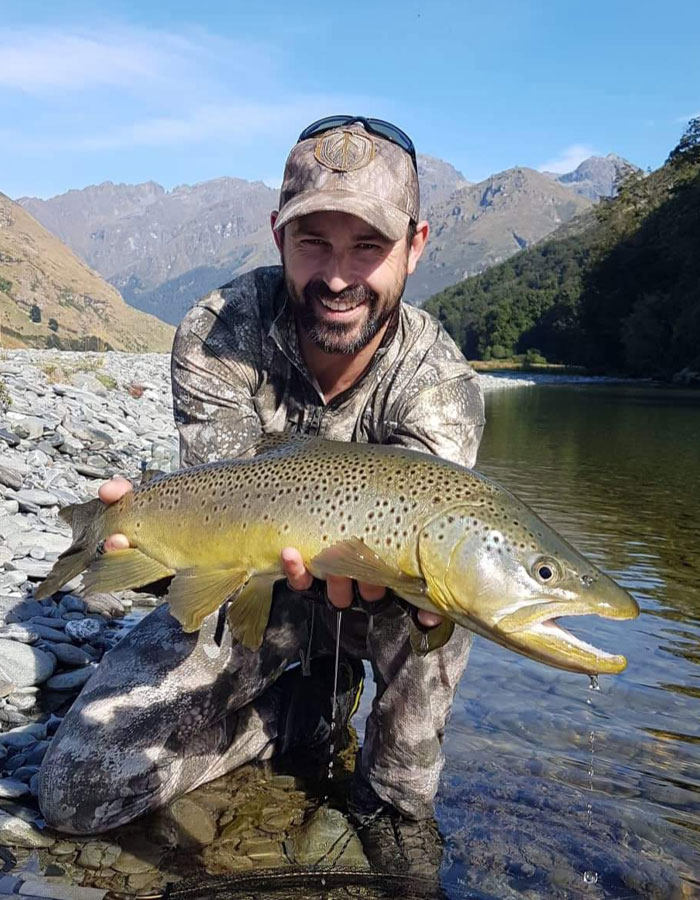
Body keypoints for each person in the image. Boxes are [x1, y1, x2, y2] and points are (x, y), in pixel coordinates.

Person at [38, 117, 485, 872]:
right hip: (252, 582)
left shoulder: (439, 384)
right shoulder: (220, 330)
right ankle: (289, 720)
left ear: (415, 245)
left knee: (450, 591)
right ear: (277, 236)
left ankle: (395, 799)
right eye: (314, 242)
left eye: (367, 247)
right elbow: (218, 513)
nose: (338, 276)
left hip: (375, 603)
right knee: (78, 793)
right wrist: (140, 538)